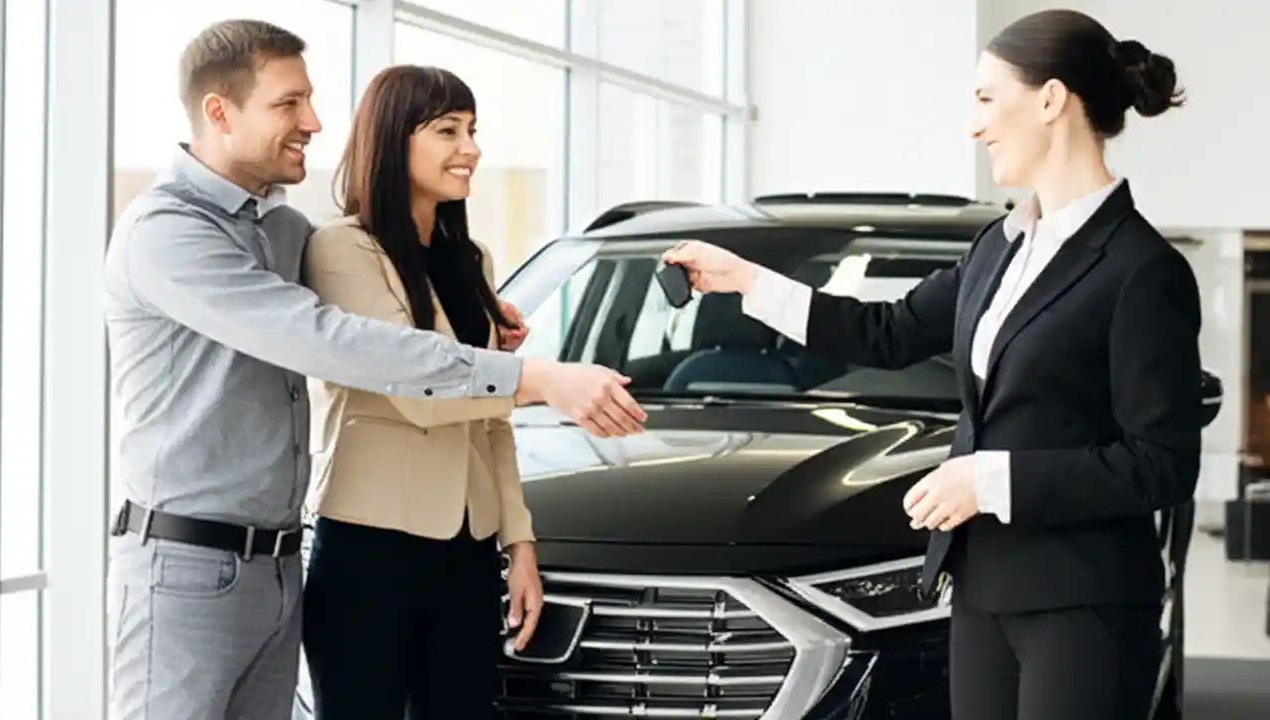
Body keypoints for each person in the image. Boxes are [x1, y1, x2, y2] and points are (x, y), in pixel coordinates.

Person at [664, 9, 1199, 720]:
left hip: (1084, 606)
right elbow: (886, 333)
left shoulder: (1142, 270)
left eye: (985, 98)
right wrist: (747, 280)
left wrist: (990, 479)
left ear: (1050, 99)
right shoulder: (999, 247)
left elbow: (1161, 463)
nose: (973, 125)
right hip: (982, 592)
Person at [103, 20, 645, 720]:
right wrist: (532, 377)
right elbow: (330, 339)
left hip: (277, 562)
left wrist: (518, 531)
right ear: (219, 110)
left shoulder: (282, 231)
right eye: (289, 103)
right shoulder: (168, 234)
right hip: (189, 560)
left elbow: (453, 386)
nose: (314, 122)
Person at [295, 64, 539, 719]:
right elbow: (418, 390)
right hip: (370, 547)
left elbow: (489, 422)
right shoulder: (342, 249)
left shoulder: (474, 260)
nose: (471, 149)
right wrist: (538, 385)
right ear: (393, 138)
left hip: (468, 548)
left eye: (472, 130)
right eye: (448, 131)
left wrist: (520, 545)